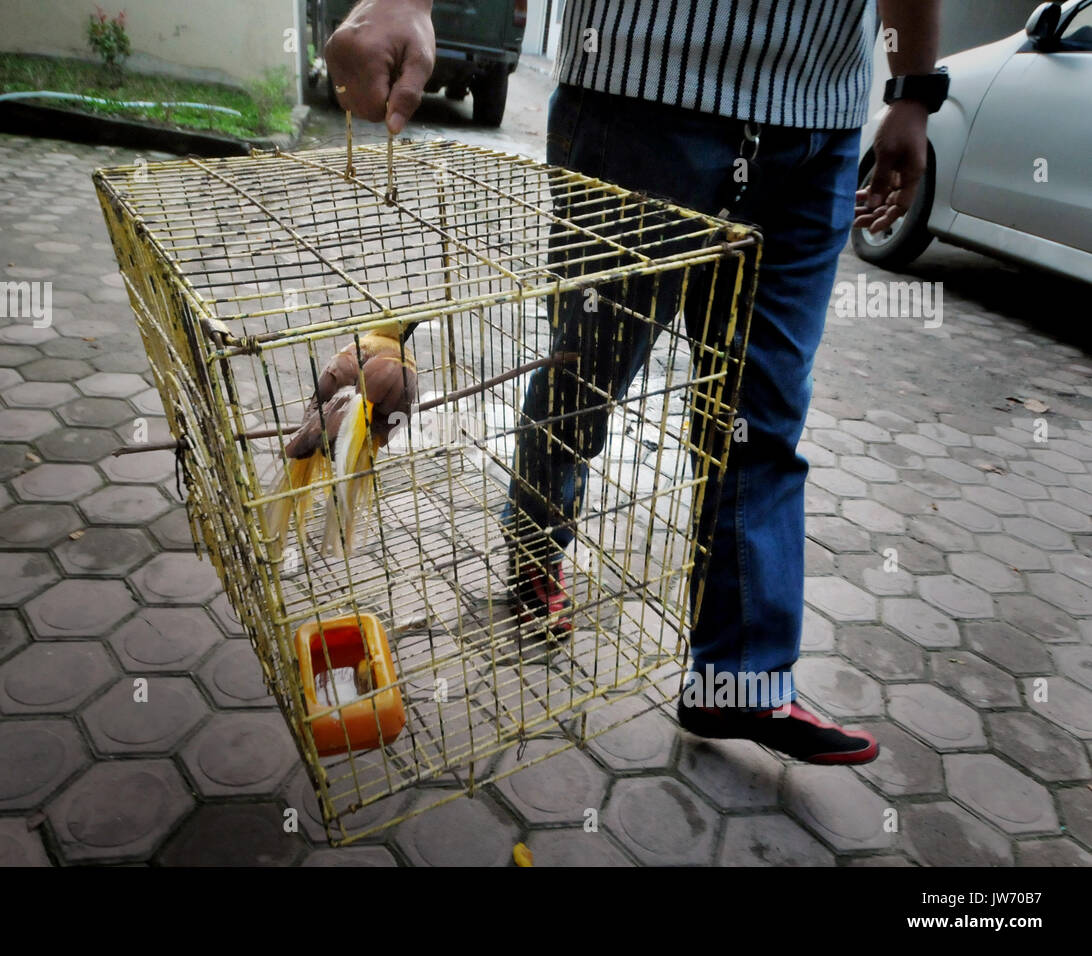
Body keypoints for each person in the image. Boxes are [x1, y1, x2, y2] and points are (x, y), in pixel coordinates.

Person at [326, 0, 946, 765]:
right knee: (586, 374)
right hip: (641, 97)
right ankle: (534, 551)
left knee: (762, 413)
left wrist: (913, 89)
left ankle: (739, 681)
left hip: (815, 121)